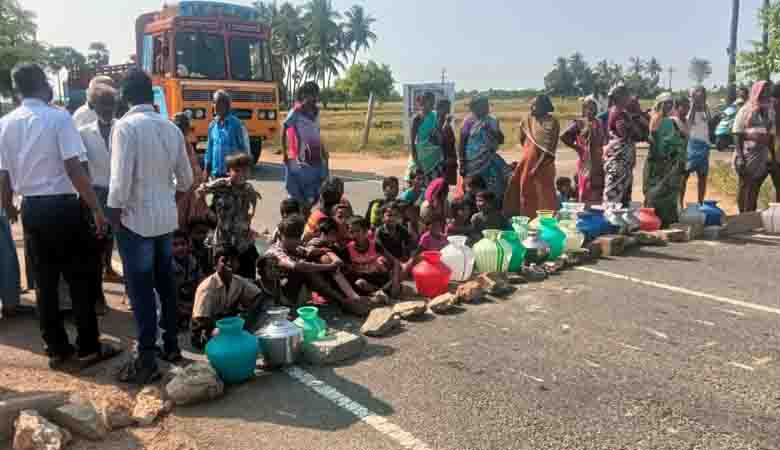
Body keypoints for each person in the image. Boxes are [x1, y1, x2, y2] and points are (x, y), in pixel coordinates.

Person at [0, 63, 120, 369]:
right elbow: (73, 167)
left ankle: (55, 348)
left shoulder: (7, 123)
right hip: (64, 207)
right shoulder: (58, 117)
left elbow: (3, 175)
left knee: (45, 282)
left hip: (32, 209)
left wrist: (10, 206)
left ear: (18, 90)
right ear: (43, 85)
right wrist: (95, 208)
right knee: (79, 278)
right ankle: (88, 348)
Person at [109, 69, 194, 383]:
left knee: (142, 290)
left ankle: (146, 359)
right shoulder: (170, 128)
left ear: (126, 96)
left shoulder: (125, 127)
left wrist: (113, 217)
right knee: (165, 285)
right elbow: (187, 180)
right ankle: (170, 346)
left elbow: (119, 184)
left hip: (135, 221)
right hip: (164, 218)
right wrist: (170, 202)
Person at [262, 215, 371, 315]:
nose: (294, 241)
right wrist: (329, 266)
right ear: (281, 235)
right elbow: (298, 266)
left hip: (295, 292)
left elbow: (311, 252)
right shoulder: (275, 252)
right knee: (307, 269)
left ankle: (351, 297)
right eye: (290, 237)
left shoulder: (295, 247)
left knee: (320, 260)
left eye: (297, 237)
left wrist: (326, 251)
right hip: (278, 298)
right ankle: (343, 302)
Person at [78, 83, 120, 315]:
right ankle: (97, 298)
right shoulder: (83, 133)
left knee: (121, 244)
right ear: (94, 105)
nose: (108, 109)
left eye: (111, 104)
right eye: (103, 104)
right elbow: (81, 170)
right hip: (95, 194)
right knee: (94, 247)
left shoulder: (123, 128)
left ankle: (134, 295)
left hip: (119, 194)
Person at [197, 153, 262, 280]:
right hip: (224, 238)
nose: (241, 174)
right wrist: (206, 211)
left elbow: (254, 200)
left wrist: (250, 216)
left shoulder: (248, 188)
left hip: (242, 239)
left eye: (245, 171)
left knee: (248, 273)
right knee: (223, 274)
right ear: (228, 171)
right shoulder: (221, 184)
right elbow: (199, 192)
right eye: (236, 171)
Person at [191, 245, 266, 350]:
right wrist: (227, 327)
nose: (230, 263)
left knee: (261, 317)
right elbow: (201, 321)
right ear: (215, 264)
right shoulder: (206, 288)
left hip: (228, 322)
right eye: (224, 260)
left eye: (233, 260)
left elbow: (258, 296)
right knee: (226, 338)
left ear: (238, 263)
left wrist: (247, 315)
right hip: (206, 328)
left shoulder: (238, 281)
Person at [503, 95, 560, 219]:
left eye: (535, 105)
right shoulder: (526, 121)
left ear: (544, 106)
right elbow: (523, 141)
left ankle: (546, 223)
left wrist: (537, 166)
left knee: (545, 195)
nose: (532, 107)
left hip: (544, 164)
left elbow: (550, 148)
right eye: (531, 104)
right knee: (526, 193)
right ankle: (528, 223)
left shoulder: (552, 122)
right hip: (527, 163)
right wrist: (529, 158)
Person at [643, 93, 687, 227]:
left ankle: (667, 221)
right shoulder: (655, 118)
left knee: (669, 192)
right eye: (665, 103)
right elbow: (654, 139)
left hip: (669, 163)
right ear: (659, 104)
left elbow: (685, 135)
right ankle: (652, 220)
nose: (668, 106)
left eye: (670, 103)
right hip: (657, 163)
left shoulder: (673, 121)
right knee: (654, 192)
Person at [732, 80, 775, 213]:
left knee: (754, 188)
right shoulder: (745, 110)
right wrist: (740, 158)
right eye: (763, 91)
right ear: (757, 92)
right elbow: (737, 134)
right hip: (746, 155)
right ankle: (742, 215)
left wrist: (772, 157)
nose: (766, 94)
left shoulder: (769, 111)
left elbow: (771, 136)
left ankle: (749, 216)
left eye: (768, 91)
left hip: (761, 157)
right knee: (744, 186)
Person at [282, 82, 327, 207]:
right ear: (304, 95)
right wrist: (285, 152)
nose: (314, 98)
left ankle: (306, 214)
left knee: (314, 194)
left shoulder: (317, 112)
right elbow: (284, 128)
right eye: (311, 94)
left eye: (316, 94)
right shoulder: (296, 111)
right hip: (299, 157)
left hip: (314, 155)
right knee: (298, 195)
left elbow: (317, 133)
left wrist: (324, 151)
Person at [459, 96, 511, 203]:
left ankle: (495, 207)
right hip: (472, 162)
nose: (487, 107)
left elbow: (501, 140)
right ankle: (473, 211)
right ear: (474, 108)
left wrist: (492, 131)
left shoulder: (493, 121)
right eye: (483, 105)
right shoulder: (468, 121)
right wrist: (462, 162)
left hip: (490, 159)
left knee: (498, 183)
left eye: (487, 105)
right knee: (473, 187)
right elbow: (462, 143)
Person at [602, 84, 644, 206]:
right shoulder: (619, 113)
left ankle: (617, 220)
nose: (629, 99)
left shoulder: (616, 111)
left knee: (620, 192)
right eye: (627, 95)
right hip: (619, 160)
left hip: (621, 160)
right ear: (619, 97)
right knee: (615, 194)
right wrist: (636, 124)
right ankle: (612, 220)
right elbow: (629, 134)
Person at [560, 96, 607, 205]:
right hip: (585, 162)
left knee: (598, 188)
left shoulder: (599, 122)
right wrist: (578, 148)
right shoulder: (579, 123)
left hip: (599, 162)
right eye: (588, 108)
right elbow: (563, 136)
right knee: (586, 188)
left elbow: (603, 141)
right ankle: (586, 214)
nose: (592, 110)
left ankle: (597, 216)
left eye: (594, 108)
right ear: (584, 109)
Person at [345, 217, 401, 298]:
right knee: (359, 283)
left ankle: (382, 291)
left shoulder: (375, 245)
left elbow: (395, 262)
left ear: (365, 231)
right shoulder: (348, 249)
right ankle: (379, 292)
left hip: (380, 278)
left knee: (391, 271)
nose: (355, 235)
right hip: (365, 281)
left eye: (358, 231)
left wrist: (395, 283)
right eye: (351, 232)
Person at [173, 112, 209, 230]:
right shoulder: (179, 142)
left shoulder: (183, 142)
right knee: (183, 224)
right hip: (185, 190)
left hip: (190, 190)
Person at [679, 87, 713, 206]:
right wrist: (693, 105)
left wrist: (704, 106)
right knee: (684, 176)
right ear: (692, 97)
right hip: (691, 145)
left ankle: (700, 203)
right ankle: (680, 203)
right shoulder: (690, 108)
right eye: (697, 95)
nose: (700, 98)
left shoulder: (706, 108)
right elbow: (689, 122)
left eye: (703, 95)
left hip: (704, 146)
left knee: (702, 177)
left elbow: (710, 122)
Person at [204, 90, 247, 179]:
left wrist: (244, 172)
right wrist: (206, 172)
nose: (215, 106)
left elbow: (243, 149)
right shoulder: (212, 125)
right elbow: (209, 151)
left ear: (226, 106)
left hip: (232, 175)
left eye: (218, 103)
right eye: (214, 103)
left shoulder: (236, 124)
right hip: (216, 174)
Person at [407, 92, 445, 188]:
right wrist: (416, 162)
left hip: (434, 156)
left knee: (434, 187)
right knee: (417, 186)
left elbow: (439, 135)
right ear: (422, 102)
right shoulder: (417, 119)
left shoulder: (435, 115)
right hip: (420, 156)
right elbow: (412, 142)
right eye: (429, 102)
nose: (432, 104)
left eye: (433, 102)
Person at [375, 202, 417, 273]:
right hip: (387, 259)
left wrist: (410, 260)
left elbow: (411, 245)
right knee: (380, 261)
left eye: (396, 215)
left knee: (417, 259)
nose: (393, 218)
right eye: (389, 215)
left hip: (400, 259)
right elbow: (383, 251)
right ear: (383, 217)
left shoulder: (401, 229)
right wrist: (398, 263)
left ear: (399, 217)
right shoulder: (379, 231)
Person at [172, 229, 202, 328]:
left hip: (191, 303)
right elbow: (169, 295)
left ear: (188, 245)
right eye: (175, 245)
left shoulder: (194, 263)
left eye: (183, 244)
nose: (180, 248)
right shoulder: (167, 267)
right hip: (175, 305)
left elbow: (201, 286)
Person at [437, 99, 458, 186]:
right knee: (440, 183)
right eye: (446, 108)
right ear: (439, 109)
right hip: (443, 158)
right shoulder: (437, 122)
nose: (448, 111)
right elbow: (441, 140)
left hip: (448, 157)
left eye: (448, 108)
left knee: (445, 184)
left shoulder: (445, 122)